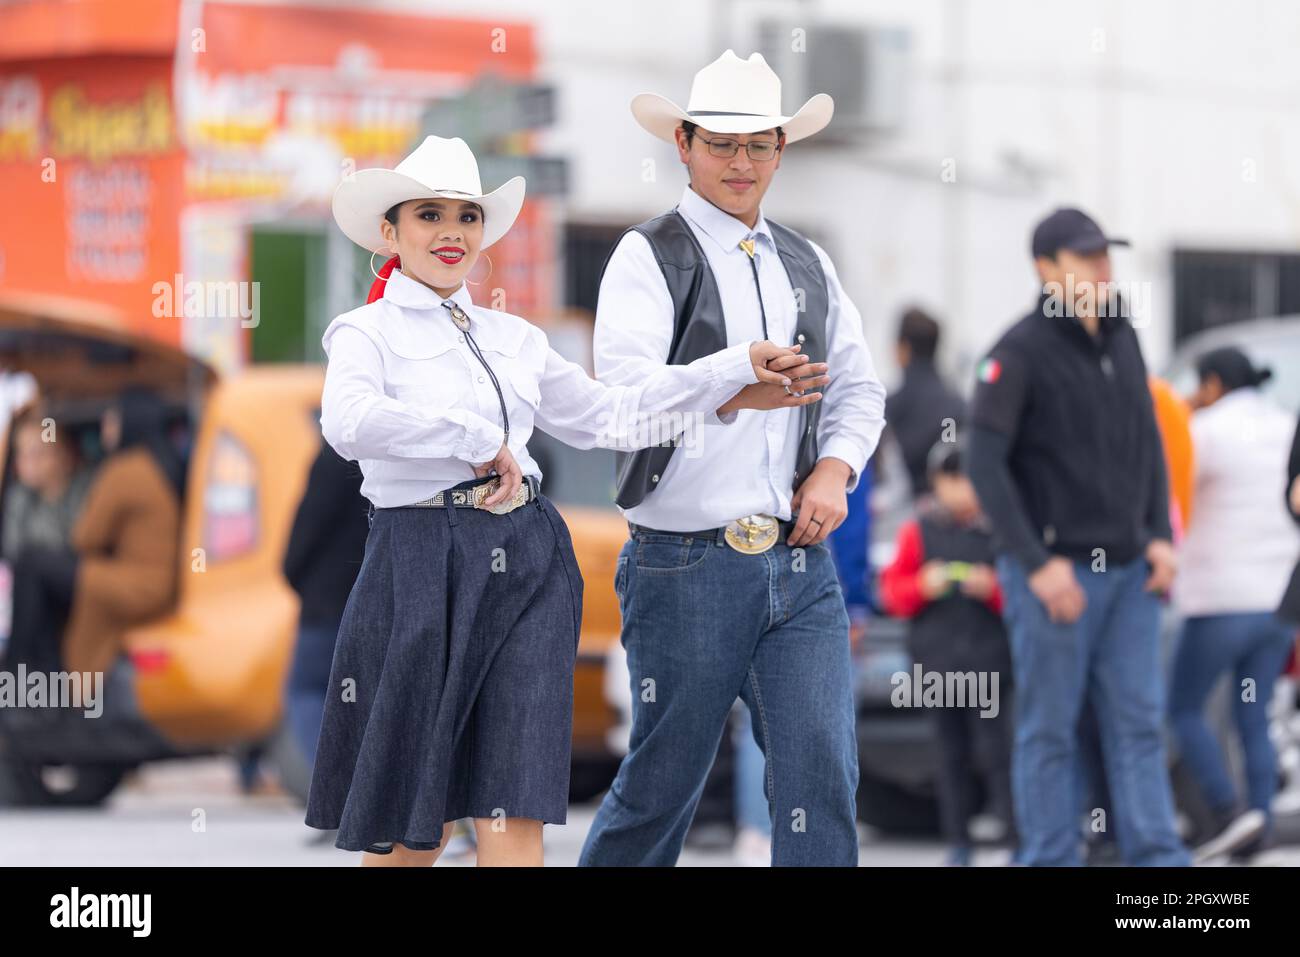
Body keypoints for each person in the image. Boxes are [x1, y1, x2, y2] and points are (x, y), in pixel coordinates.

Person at [302, 134, 816, 867]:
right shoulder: (364, 331)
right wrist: (472, 435)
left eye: (467, 216)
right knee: (418, 816)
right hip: (420, 561)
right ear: (391, 230)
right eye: (429, 215)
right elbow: (348, 424)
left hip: (529, 562)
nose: (451, 233)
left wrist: (727, 378)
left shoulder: (515, 337)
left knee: (514, 797)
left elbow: (612, 417)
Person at [580, 50, 887, 867]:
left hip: (798, 559)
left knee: (823, 773)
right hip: (684, 561)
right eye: (721, 143)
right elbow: (625, 400)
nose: (741, 161)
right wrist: (731, 371)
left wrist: (836, 469)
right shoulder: (648, 256)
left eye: (758, 144)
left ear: (782, 149)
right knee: (662, 784)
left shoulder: (807, 261)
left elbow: (859, 389)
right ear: (683, 143)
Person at [967, 207, 1189, 866]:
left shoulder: (1123, 335)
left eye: (1106, 256)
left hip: (1130, 572)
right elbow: (983, 463)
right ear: (1046, 268)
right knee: (1049, 731)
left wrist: (1158, 534)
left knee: (1140, 726)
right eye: (1085, 257)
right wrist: (1035, 564)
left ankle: (1158, 859)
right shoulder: (1018, 351)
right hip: (1055, 575)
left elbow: (1146, 441)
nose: (1102, 268)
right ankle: (1050, 856)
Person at [1168, 347, 1300, 862]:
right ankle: (1259, 825)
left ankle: (1227, 810)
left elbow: (1175, 490)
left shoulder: (1207, 430)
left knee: (1182, 707)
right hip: (1279, 602)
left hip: (1220, 599)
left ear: (1214, 383)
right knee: (1253, 713)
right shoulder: (1283, 422)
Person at [879, 439, 1015, 866]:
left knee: (999, 752)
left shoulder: (1001, 530)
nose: (959, 491)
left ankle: (1014, 837)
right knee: (948, 754)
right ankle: (958, 842)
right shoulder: (917, 531)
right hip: (937, 664)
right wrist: (922, 586)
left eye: (968, 479)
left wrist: (992, 589)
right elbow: (892, 593)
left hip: (991, 664)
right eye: (950, 480)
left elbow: (1022, 595)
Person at [60, 387, 185, 676]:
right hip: (162, 584)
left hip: (139, 585)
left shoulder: (124, 469)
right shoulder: (163, 463)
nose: (106, 424)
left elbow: (85, 537)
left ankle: (33, 685)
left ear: (130, 422)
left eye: (113, 418)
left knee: (35, 564)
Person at [281, 441, 369, 782]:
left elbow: (308, 526)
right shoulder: (395, 455)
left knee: (306, 691)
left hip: (326, 602)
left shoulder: (337, 455)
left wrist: (292, 573)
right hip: (375, 597)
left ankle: (340, 787)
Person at [886, 308, 966, 498]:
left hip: (896, 519)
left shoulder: (888, 408)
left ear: (903, 349)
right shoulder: (957, 404)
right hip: (948, 513)